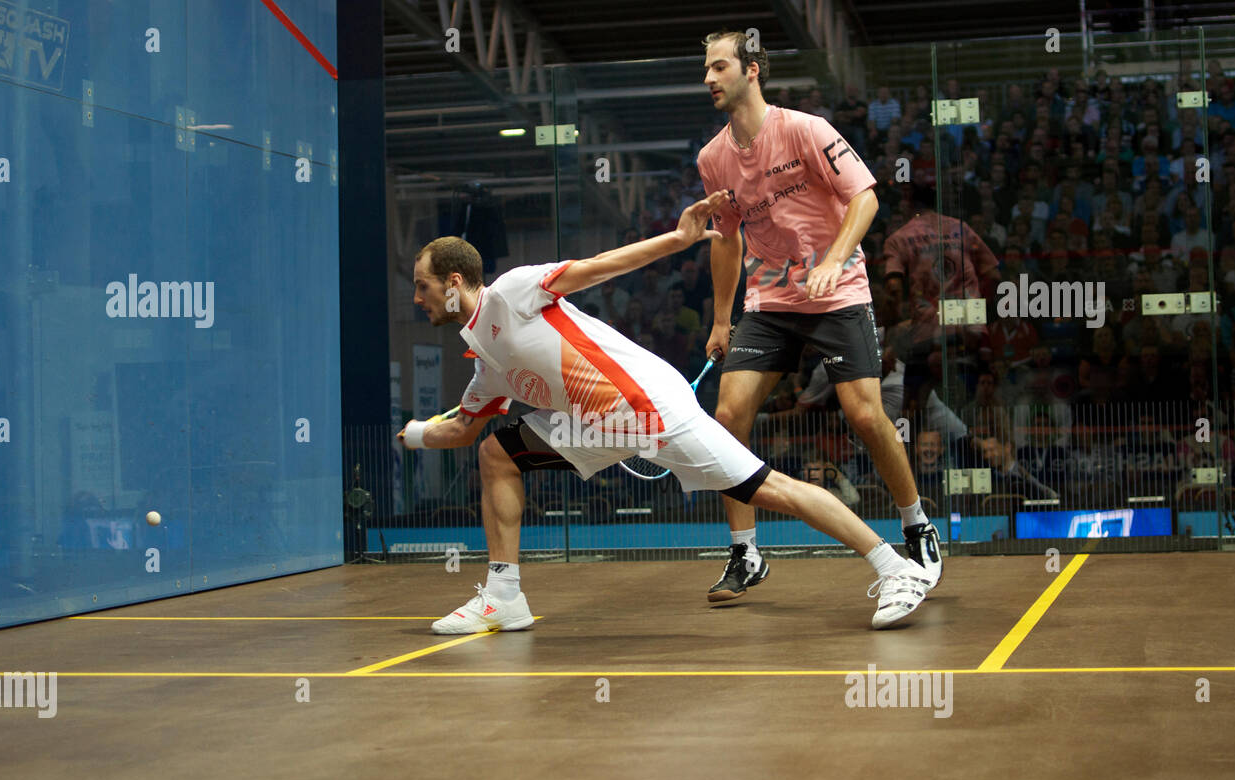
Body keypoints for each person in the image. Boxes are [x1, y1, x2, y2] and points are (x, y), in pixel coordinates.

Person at [398, 197, 932, 634]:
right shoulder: (485, 363)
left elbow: (596, 268)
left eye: (423, 286)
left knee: (769, 489)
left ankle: (895, 568)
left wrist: (679, 240)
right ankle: (503, 596)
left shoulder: (511, 293)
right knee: (498, 453)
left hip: (649, 407)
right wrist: (417, 435)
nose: (418, 298)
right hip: (594, 425)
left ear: (453, 282)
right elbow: (464, 432)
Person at [695, 30, 944, 606]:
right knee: (727, 414)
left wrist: (834, 260)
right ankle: (745, 551)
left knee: (864, 413)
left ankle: (916, 527)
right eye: (705, 70)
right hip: (770, 303)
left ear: (751, 70)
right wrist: (720, 320)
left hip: (838, 295)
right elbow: (726, 240)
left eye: (719, 67)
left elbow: (866, 197)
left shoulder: (805, 129)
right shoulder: (713, 159)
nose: (708, 79)